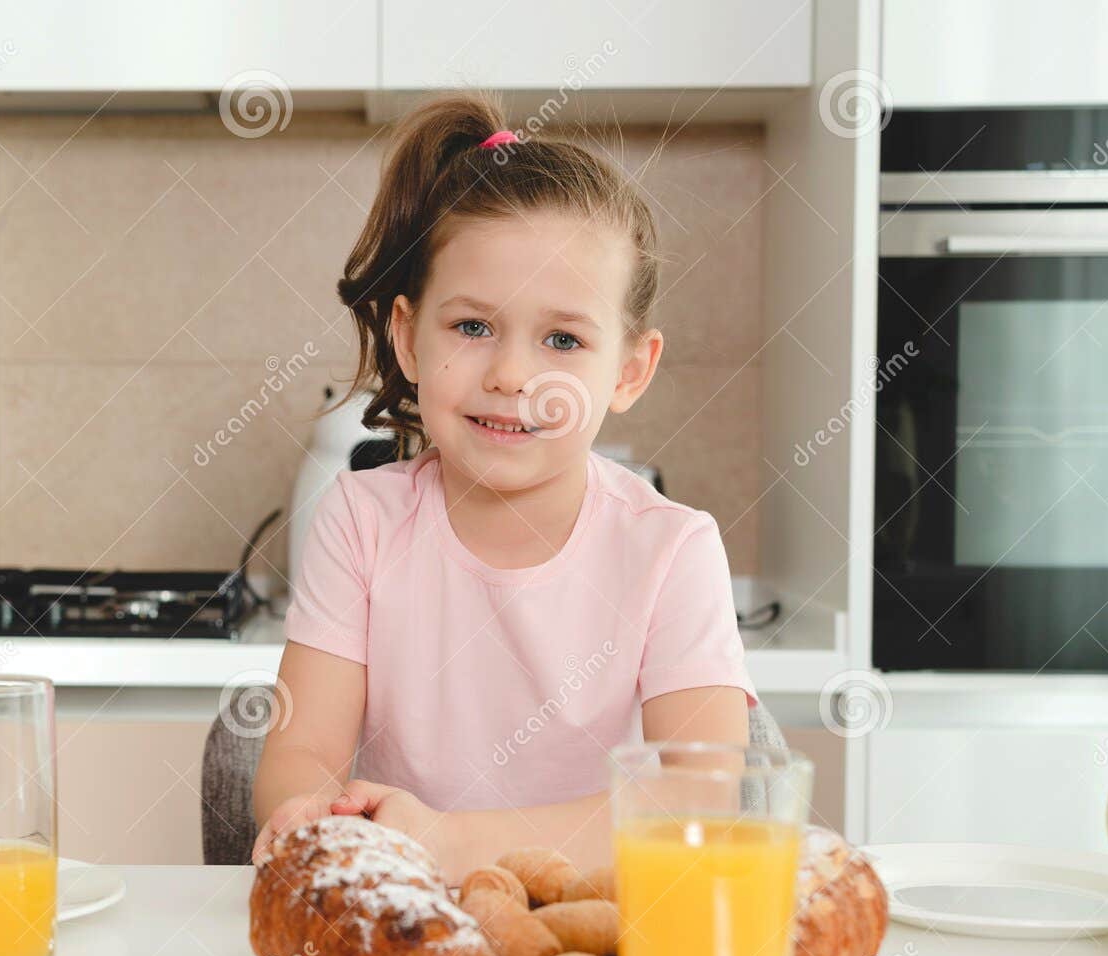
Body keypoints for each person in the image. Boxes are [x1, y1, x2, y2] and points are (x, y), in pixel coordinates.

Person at [251, 92, 755, 880]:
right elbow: (302, 751)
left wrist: (446, 842)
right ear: (410, 338)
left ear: (628, 370)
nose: (513, 375)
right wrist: (313, 815)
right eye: (473, 327)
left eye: (563, 338)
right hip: (408, 914)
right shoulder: (362, 519)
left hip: (594, 939)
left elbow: (696, 803)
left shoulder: (672, 549)